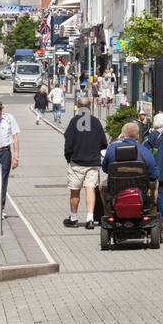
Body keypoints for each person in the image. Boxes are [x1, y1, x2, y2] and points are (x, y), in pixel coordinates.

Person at [63, 95, 108, 228]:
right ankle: (90, 218)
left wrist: (68, 158)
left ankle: (74, 218)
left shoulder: (73, 121)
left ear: (77, 106)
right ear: (90, 107)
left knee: (75, 190)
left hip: (77, 162)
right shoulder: (96, 122)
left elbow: (68, 144)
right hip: (93, 163)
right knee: (90, 189)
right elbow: (104, 143)